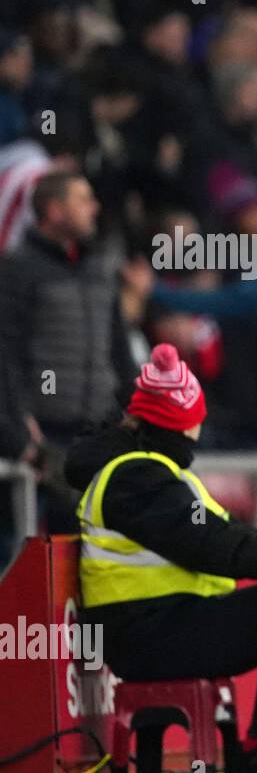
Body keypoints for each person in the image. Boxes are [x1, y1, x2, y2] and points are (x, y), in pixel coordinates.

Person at [66, 344, 257, 773]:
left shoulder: (152, 472)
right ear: (181, 424)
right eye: (195, 420)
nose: (200, 430)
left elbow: (226, 536)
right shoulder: (136, 477)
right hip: (148, 636)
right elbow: (216, 547)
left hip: (162, 625)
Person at [0, 171, 135, 534]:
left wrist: (137, 414)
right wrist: (17, 427)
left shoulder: (100, 269)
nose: (95, 208)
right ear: (54, 210)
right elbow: (5, 354)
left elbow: (119, 352)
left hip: (99, 431)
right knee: (34, 556)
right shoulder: (17, 270)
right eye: (83, 199)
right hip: (46, 439)